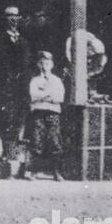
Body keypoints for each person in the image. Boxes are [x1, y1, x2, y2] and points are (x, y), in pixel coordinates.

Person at [0, 5, 33, 153]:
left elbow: (26, 65)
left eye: (16, 17)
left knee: (19, 121)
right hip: (4, 90)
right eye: (10, 17)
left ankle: (14, 154)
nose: (13, 20)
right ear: (4, 19)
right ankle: (7, 154)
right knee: (5, 121)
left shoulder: (24, 42)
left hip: (21, 90)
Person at [26, 51, 65, 180]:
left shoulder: (57, 80)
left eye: (47, 63)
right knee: (37, 141)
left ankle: (56, 172)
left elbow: (59, 97)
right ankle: (34, 171)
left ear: (52, 65)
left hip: (53, 113)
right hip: (38, 113)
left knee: (54, 141)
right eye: (42, 63)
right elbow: (33, 96)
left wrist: (43, 96)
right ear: (38, 64)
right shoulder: (35, 80)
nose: (44, 66)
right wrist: (48, 95)